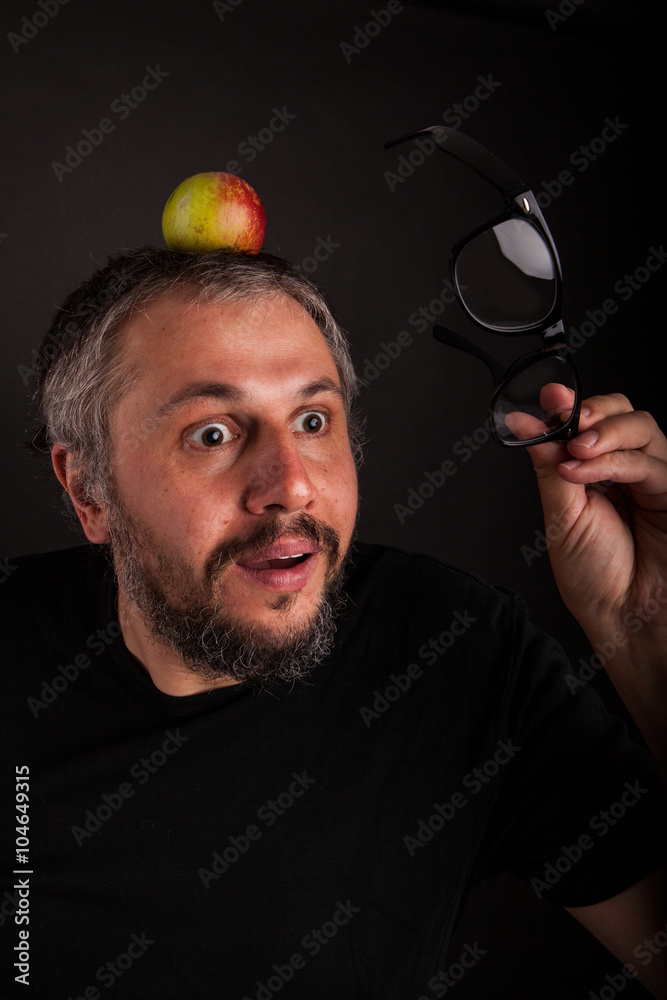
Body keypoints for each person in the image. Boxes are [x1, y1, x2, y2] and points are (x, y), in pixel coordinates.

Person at [2, 246, 666, 999]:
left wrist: (640, 627)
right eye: (212, 434)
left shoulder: (455, 650)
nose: (291, 485)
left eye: (313, 419)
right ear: (87, 489)